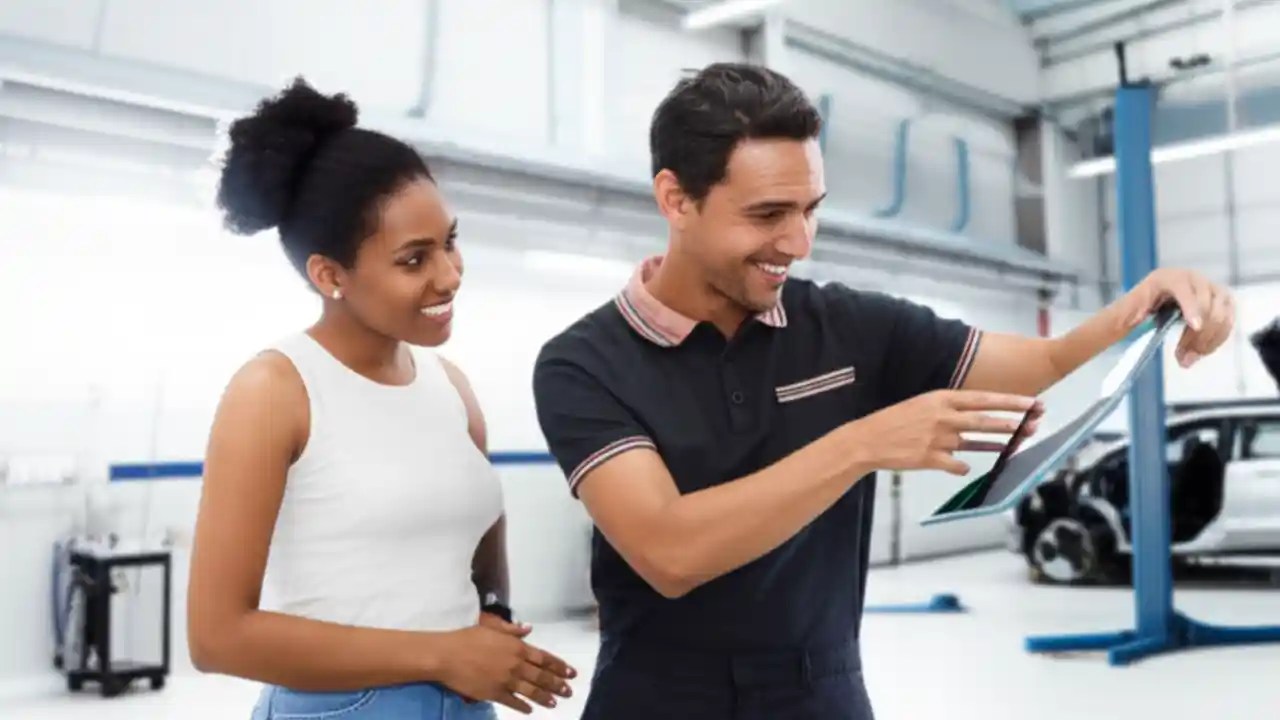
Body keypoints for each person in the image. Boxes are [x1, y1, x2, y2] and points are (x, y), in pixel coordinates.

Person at [531, 62, 1235, 720]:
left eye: (811, 209)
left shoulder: (852, 326)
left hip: (823, 688)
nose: (799, 241)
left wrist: (1147, 305)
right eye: (768, 214)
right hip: (657, 696)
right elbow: (669, 553)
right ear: (676, 199)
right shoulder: (584, 364)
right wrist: (863, 444)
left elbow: (1047, 361)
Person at [186, 77, 576, 719]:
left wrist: (492, 617)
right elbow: (217, 636)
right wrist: (443, 653)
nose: (449, 274)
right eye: (413, 259)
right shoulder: (274, 391)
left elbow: (478, 530)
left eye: (449, 241)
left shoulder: (450, 385)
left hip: (463, 703)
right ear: (329, 275)